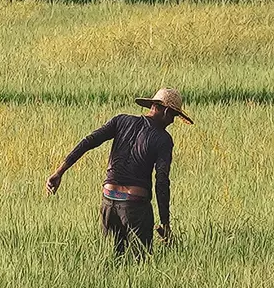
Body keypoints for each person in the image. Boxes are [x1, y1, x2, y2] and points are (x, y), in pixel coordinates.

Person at [47, 88, 192, 258]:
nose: (172, 122)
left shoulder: (121, 120)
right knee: (141, 262)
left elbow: (89, 141)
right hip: (135, 206)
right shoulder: (163, 139)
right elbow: (161, 180)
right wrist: (165, 223)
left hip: (108, 201)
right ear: (166, 111)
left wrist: (59, 171)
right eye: (173, 116)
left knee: (112, 260)